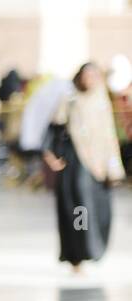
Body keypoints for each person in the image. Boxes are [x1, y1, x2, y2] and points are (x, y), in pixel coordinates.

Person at [43, 61, 124, 271]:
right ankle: (78, 252)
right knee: (80, 209)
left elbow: (109, 136)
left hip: (99, 165)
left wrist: (114, 167)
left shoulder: (101, 99)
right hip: (76, 162)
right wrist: (51, 155)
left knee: (99, 209)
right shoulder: (70, 99)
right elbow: (54, 128)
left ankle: (94, 249)